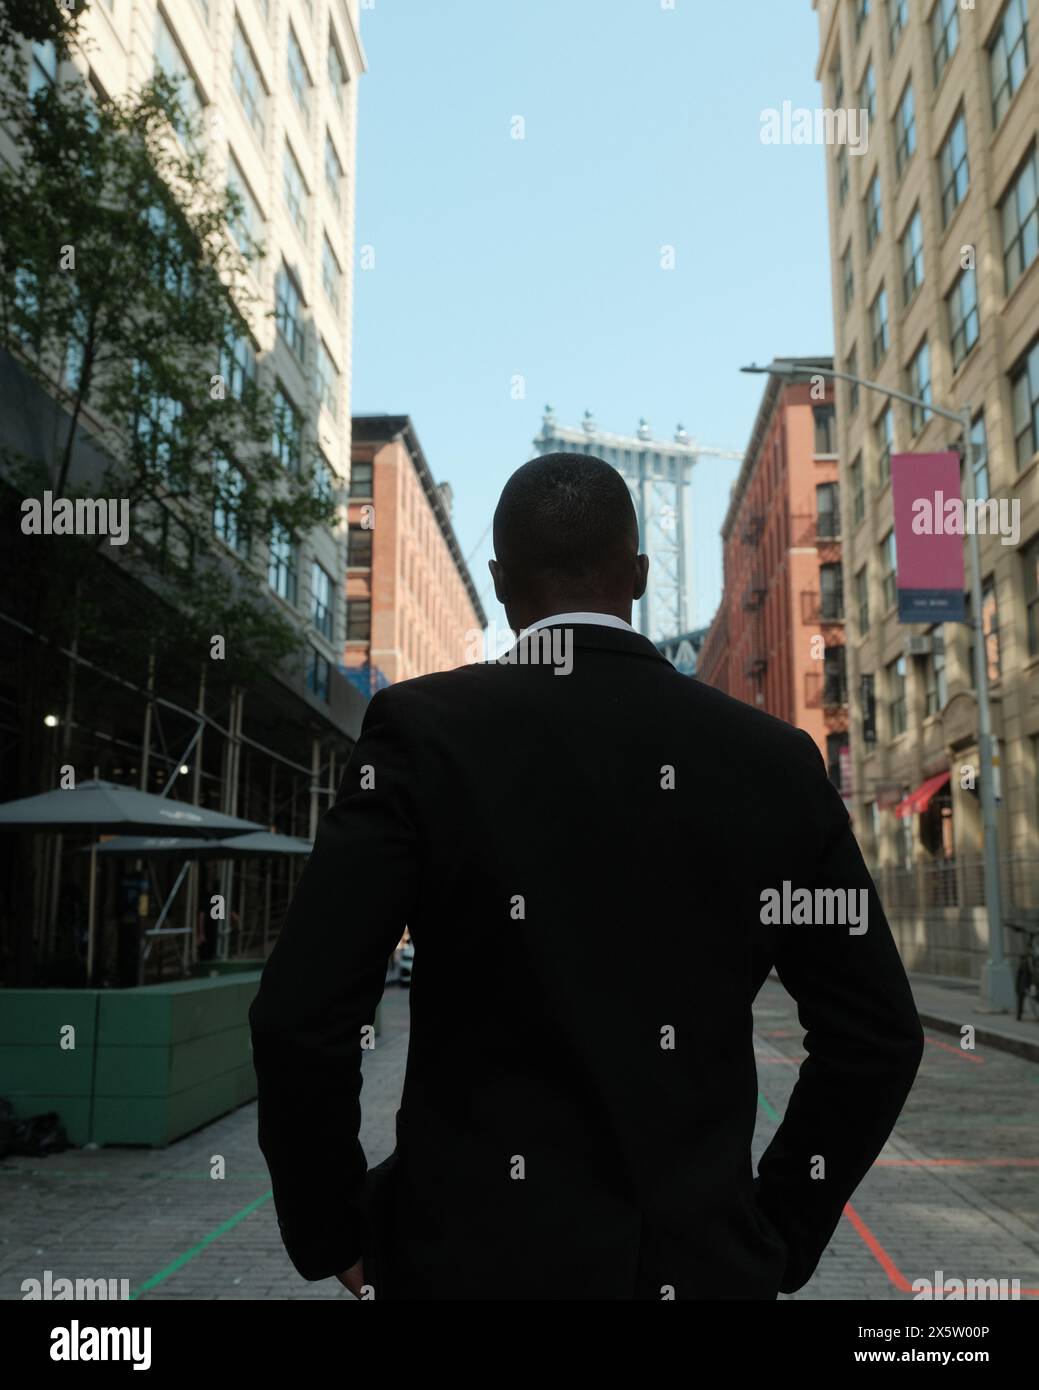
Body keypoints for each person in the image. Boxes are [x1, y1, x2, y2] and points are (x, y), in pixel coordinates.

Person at [249, 452, 924, 1301]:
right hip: (691, 1267)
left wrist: (333, 1227)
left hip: (464, 1266)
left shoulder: (420, 735)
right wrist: (780, 1228)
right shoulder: (774, 761)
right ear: (637, 575)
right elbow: (875, 1036)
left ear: (500, 582)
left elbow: (300, 1014)